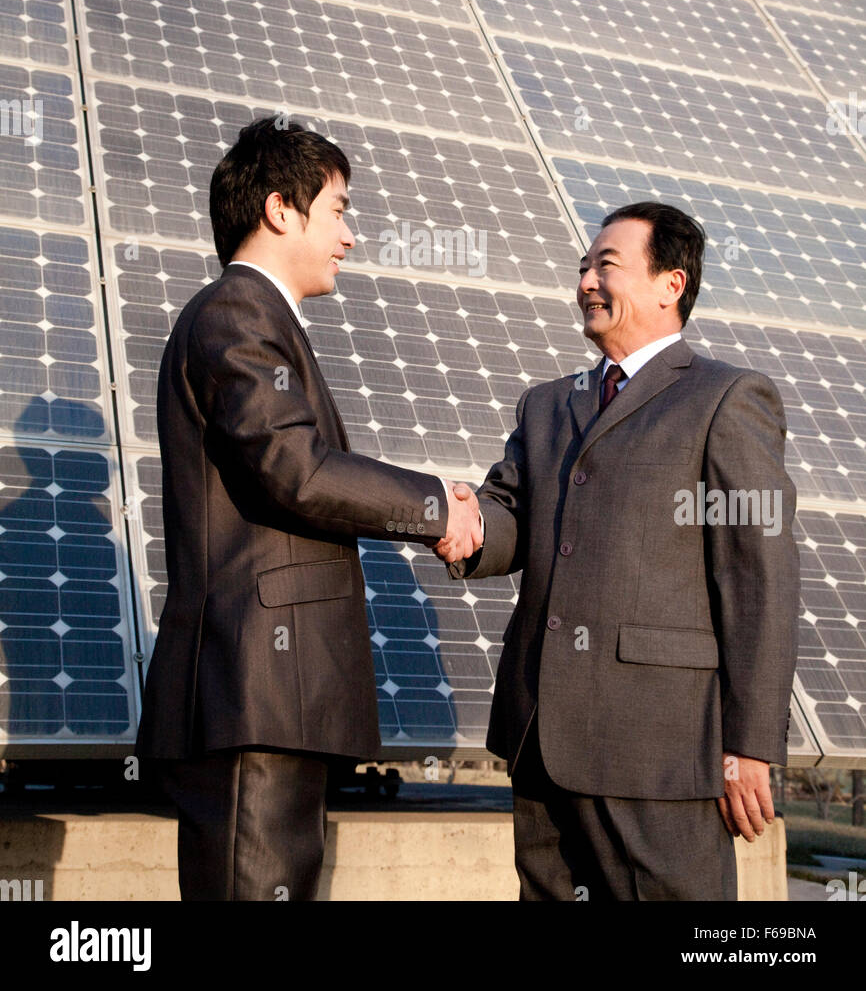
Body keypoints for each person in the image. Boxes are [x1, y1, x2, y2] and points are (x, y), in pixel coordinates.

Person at [135, 115, 481, 900]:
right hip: (255, 687)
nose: (350, 235)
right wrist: (437, 506)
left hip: (270, 694)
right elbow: (294, 470)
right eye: (338, 208)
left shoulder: (256, 318)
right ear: (280, 210)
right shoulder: (238, 315)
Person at [448, 201, 800, 901]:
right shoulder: (546, 405)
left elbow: (759, 581)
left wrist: (750, 746)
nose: (585, 281)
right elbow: (512, 515)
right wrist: (461, 522)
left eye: (605, 265)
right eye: (583, 267)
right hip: (540, 738)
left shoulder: (726, 398)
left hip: (660, 750)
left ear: (671, 284)